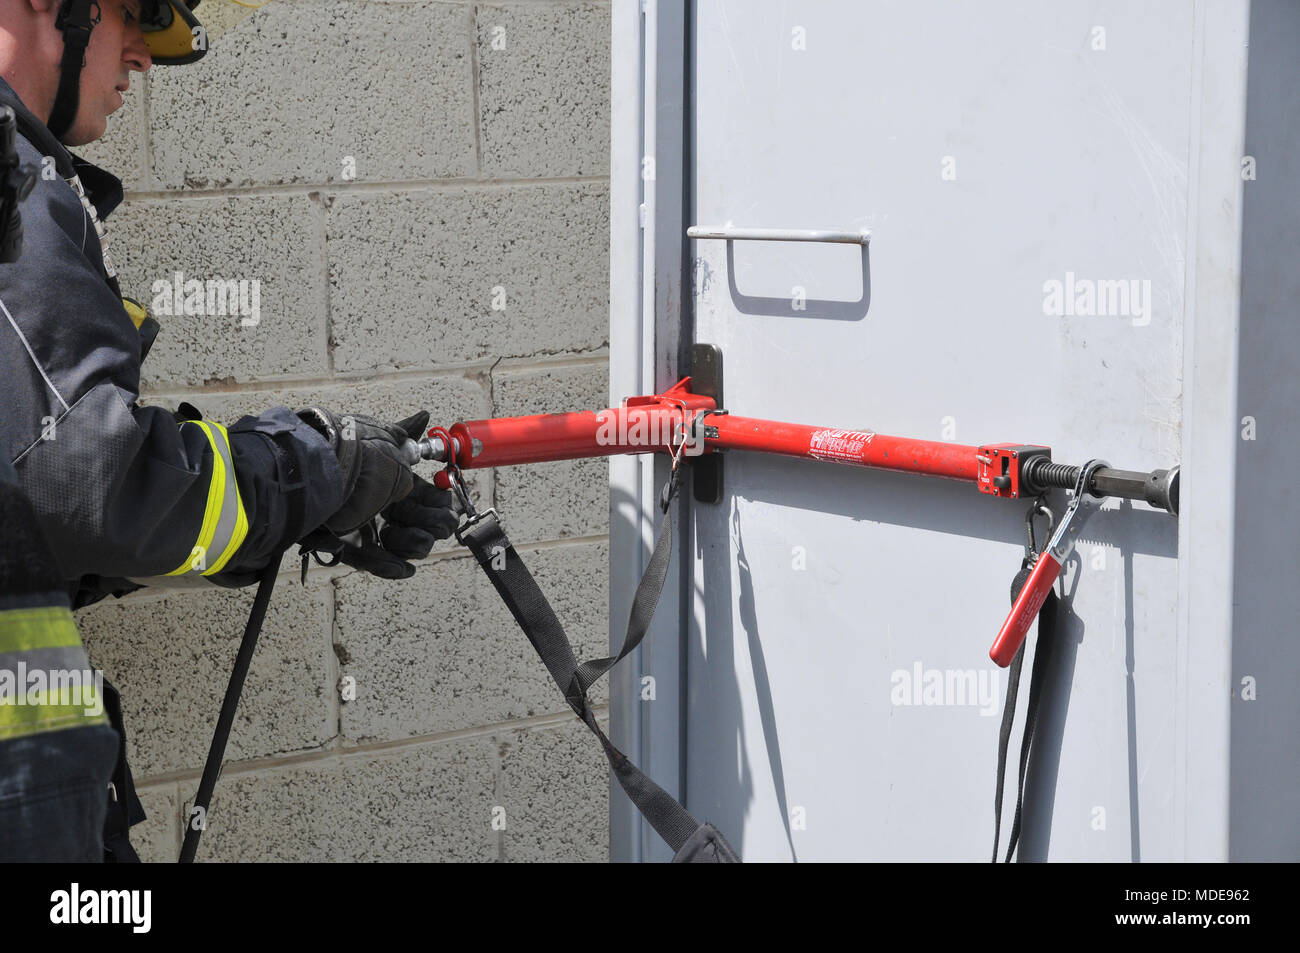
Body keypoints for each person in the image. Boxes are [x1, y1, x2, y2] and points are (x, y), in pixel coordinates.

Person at [0, 0, 458, 860]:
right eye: (126, 13)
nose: (139, 53)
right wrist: (311, 464)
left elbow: (41, 522)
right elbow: (100, 485)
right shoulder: (15, 191)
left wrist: (306, 507)